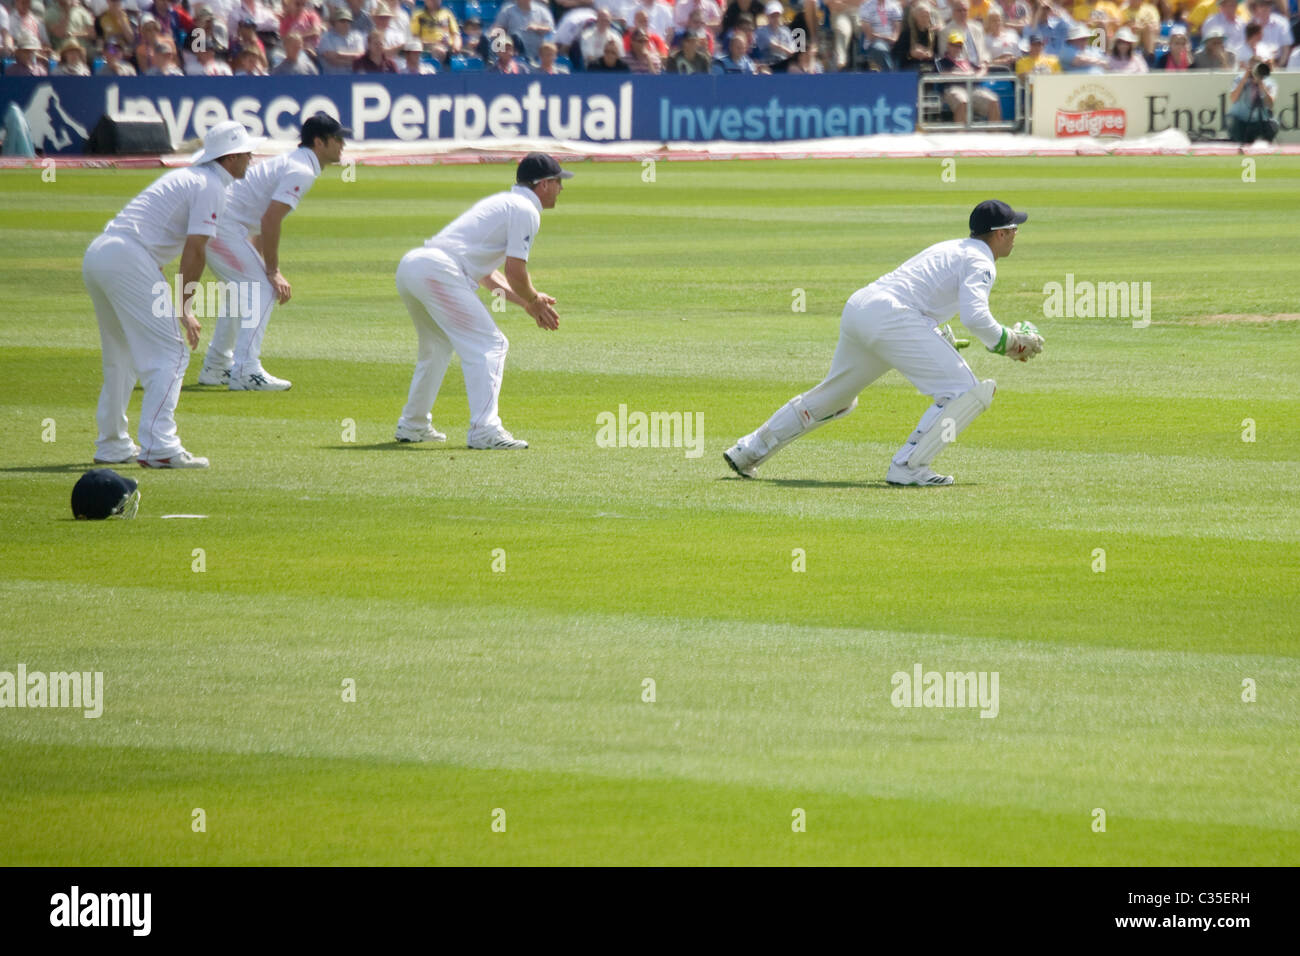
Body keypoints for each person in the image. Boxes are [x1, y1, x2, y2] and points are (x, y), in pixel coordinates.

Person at [724, 200, 1044, 487]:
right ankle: (909, 466)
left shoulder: (952, 247)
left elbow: (922, 293)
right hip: (892, 318)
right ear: (1000, 234)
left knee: (834, 397)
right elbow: (975, 317)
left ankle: (747, 450)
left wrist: (937, 336)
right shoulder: (982, 262)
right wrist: (1011, 343)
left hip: (863, 308)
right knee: (964, 391)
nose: (1017, 234)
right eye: (1014, 228)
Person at [82, 121, 259, 469]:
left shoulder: (195, 178)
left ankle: (113, 444)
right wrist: (184, 306)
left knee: (122, 355)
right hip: (126, 257)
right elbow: (195, 250)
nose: (251, 159)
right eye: (247, 154)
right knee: (172, 352)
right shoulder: (211, 184)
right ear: (231, 157)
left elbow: (157, 241)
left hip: (102, 254)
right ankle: (159, 446)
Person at [393, 153, 570, 450]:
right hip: (438, 271)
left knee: (436, 347)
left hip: (413, 267)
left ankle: (413, 423)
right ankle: (484, 430)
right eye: (558, 182)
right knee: (492, 344)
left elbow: (489, 275)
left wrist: (527, 303)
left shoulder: (506, 202)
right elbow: (515, 271)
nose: (561, 188)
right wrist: (534, 299)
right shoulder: (526, 209)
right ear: (543, 185)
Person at [198, 114, 346, 393]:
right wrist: (272, 271)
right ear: (319, 142)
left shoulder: (299, 163)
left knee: (242, 290)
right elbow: (270, 220)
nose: (343, 145)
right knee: (262, 289)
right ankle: (245, 370)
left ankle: (217, 366)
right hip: (221, 223)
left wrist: (258, 260)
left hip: (223, 222)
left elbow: (260, 216)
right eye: (338, 139)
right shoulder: (301, 169)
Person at [939, 34, 1003, 120]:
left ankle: (996, 133)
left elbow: (980, 71)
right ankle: (961, 133)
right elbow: (942, 74)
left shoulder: (967, 61)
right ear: (948, 45)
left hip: (973, 88)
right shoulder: (942, 61)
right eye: (953, 45)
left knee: (993, 100)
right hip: (954, 88)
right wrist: (966, 75)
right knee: (963, 101)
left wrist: (981, 70)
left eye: (959, 46)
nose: (956, 48)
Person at [1227, 56, 1277, 140]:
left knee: (1274, 125)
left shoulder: (1269, 82)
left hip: (1261, 120)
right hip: (1241, 120)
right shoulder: (1239, 79)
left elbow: (1270, 104)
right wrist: (1244, 79)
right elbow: (1233, 99)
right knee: (1234, 124)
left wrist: (1261, 83)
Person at [893, 1, 940, 71]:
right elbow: (896, 53)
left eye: (927, 16)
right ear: (916, 17)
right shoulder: (907, 34)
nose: (925, 19)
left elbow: (939, 54)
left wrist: (930, 55)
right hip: (911, 67)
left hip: (929, 67)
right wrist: (910, 54)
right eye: (922, 16)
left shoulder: (934, 35)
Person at [318, 6, 365, 73]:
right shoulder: (325, 38)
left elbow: (361, 56)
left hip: (354, 79)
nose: (346, 23)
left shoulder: (357, 36)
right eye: (342, 21)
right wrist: (353, 60)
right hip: (332, 80)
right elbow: (332, 60)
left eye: (348, 21)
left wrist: (338, 54)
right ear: (334, 22)